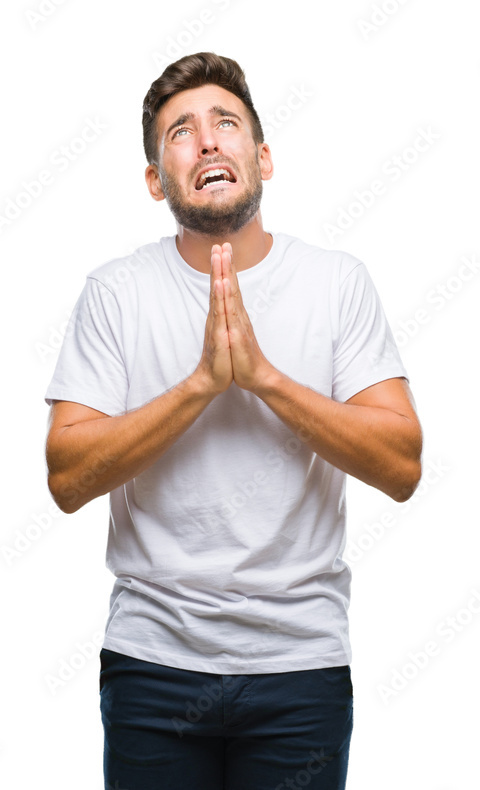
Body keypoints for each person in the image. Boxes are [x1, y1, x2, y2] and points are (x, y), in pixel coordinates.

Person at [44, 52, 422, 789]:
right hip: (153, 663)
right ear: (157, 180)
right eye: (181, 132)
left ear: (263, 156)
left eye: (227, 123)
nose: (208, 140)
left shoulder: (336, 282)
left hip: (300, 667)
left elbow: (403, 464)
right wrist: (200, 387)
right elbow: (65, 475)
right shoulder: (116, 293)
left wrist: (263, 379)